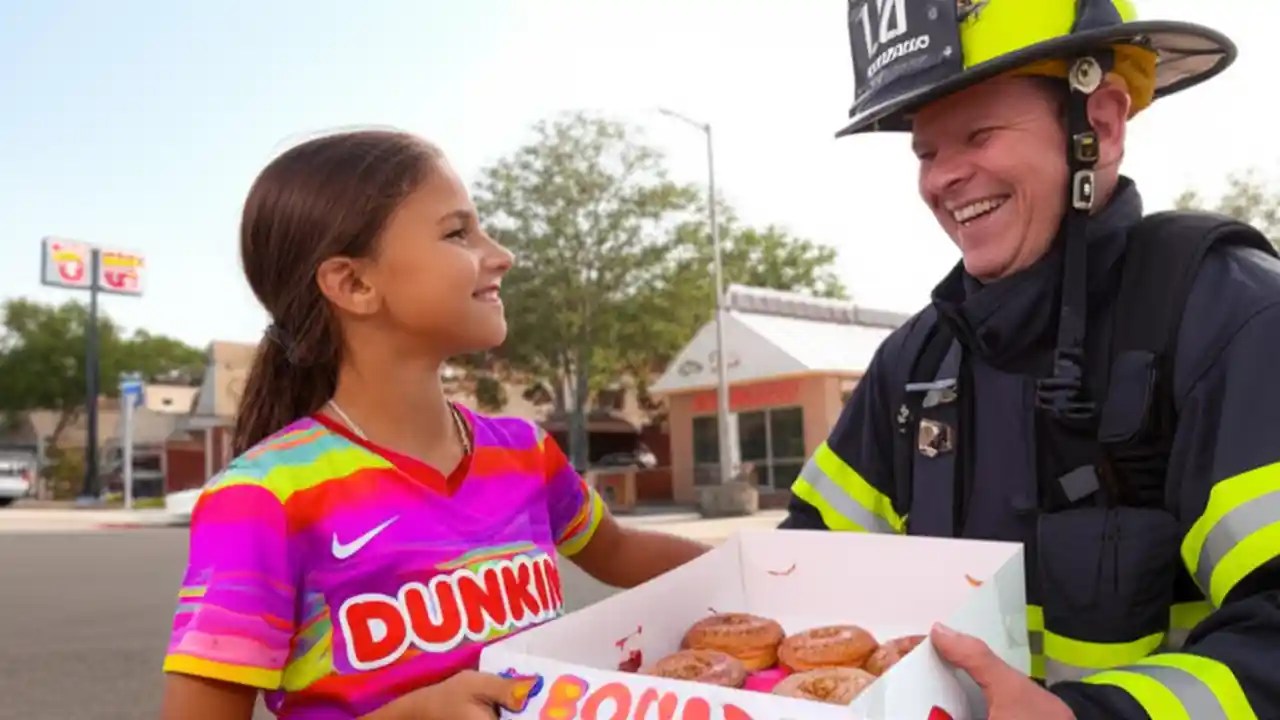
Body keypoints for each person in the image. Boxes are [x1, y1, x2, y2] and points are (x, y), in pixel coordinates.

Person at [783, 1, 1280, 718]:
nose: (941, 180)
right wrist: (602, 542)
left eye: (978, 134)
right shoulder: (915, 363)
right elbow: (796, 575)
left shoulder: (1231, 321)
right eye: (925, 152)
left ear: (1101, 125)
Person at [158, 129, 711, 720]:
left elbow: (619, 551)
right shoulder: (263, 498)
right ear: (354, 283)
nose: (501, 255)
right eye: (458, 233)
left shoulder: (525, 453)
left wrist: (769, 569)